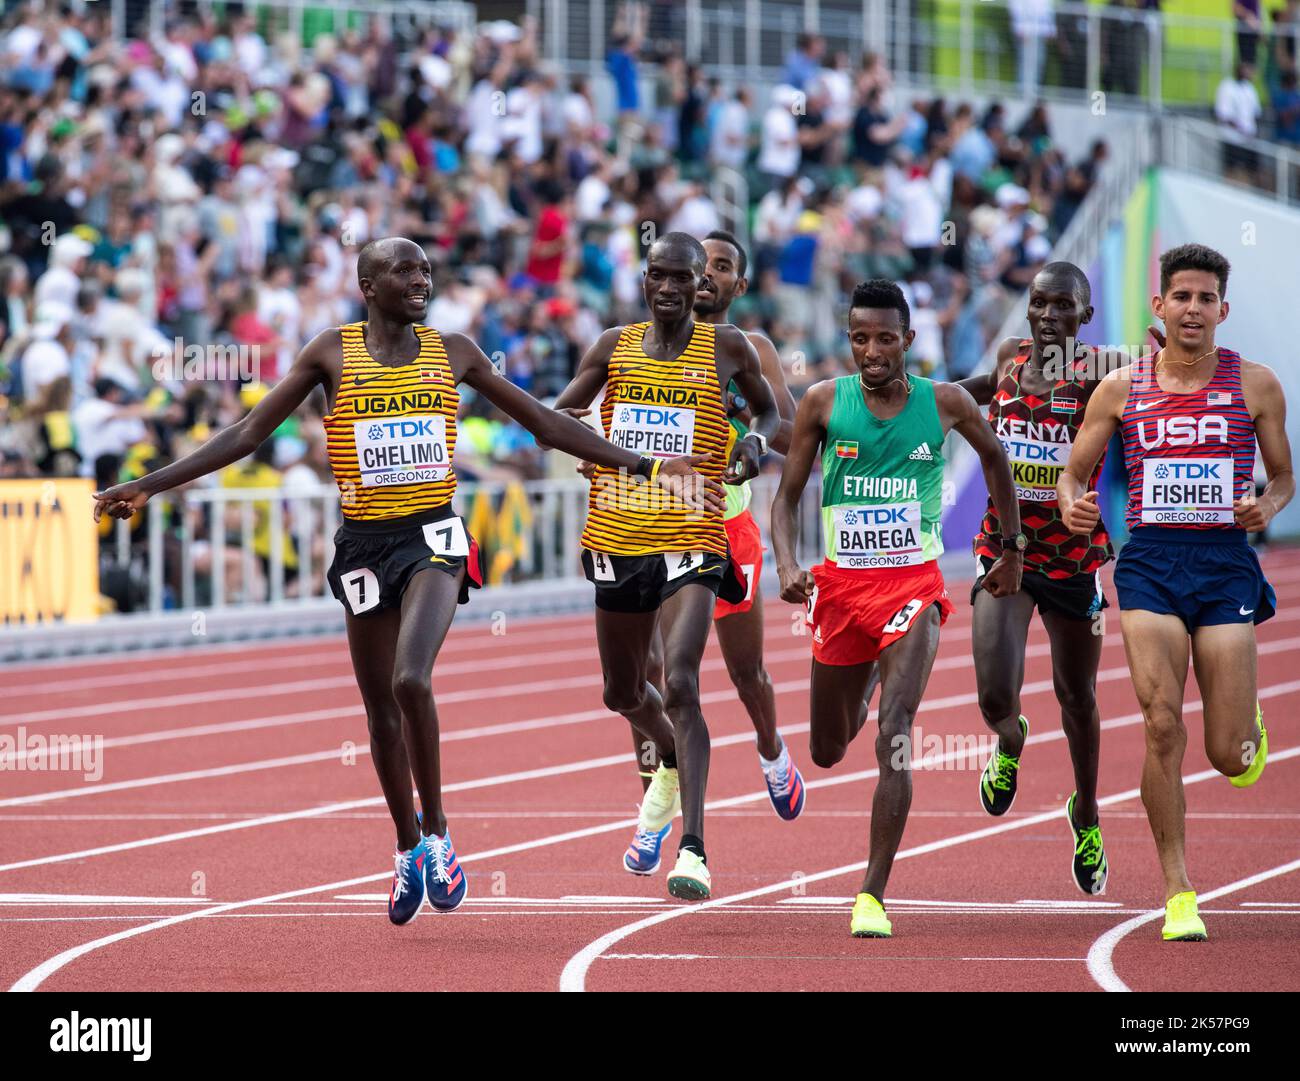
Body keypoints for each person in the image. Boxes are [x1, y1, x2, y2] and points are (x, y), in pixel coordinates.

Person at [92, 237, 721, 927]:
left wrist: (645, 466)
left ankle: (442, 832)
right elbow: (246, 433)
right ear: (368, 285)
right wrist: (148, 485)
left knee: (410, 679)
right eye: (404, 270)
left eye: (426, 269)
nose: (420, 279)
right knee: (380, 713)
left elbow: (540, 417)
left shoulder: (454, 352)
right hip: (363, 545)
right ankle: (406, 844)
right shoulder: (330, 353)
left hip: (433, 537)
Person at [771, 279, 1022, 938]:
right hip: (842, 592)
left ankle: (871, 893)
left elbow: (997, 460)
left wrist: (1012, 547)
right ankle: (875, 670)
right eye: (860, 338)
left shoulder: (945, 403)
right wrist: (789, 564)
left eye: (885, 338)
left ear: (909, 339)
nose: (872, 350)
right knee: (827, 749)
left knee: (896, 735)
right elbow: (785, 495)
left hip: (913, 588)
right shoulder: (824, 402)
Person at [1058, 243, 1294, 941]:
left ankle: (1244, 719)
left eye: (1205, 298)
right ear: (1157, 305)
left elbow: (1282, 476)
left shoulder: (1256, 384)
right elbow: (1075, 473)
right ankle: (1178, 890)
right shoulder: (1120, 388)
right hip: (1151, 564)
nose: (1192, 309)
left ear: (1223, 309)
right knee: (1161, 721)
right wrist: (1075, 503)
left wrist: (1268, 507)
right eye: (1180, 297)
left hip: (1224, 566)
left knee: (1229, 754)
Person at [552, 231, 781, 901]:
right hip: (619, 533)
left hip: (695, 533)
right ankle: (673, 762)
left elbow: (769, 408)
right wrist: (598, 450)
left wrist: (755, 444)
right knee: (623, 692)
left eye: (685, 276)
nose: (673, 287)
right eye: (660, 275)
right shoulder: (612, 346)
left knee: (680, 680)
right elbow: (560, 411)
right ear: (645, 280)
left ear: (700, 285)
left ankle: (695, 848)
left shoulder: (727, 348)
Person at [956, 261, 1130, 896]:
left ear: (1085, 316)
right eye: (1040, 303)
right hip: (1007, 548)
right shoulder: (1009, 356)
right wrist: (923, 396)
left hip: (1073, 558)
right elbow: (974, 390)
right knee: (995, 697)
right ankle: (1010, 740)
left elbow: (1147, 405)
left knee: (1077, 697)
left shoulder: (1102, 374)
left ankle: (1085, 814)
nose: (1050, 315)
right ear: (1027, 308)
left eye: (1064, 306)